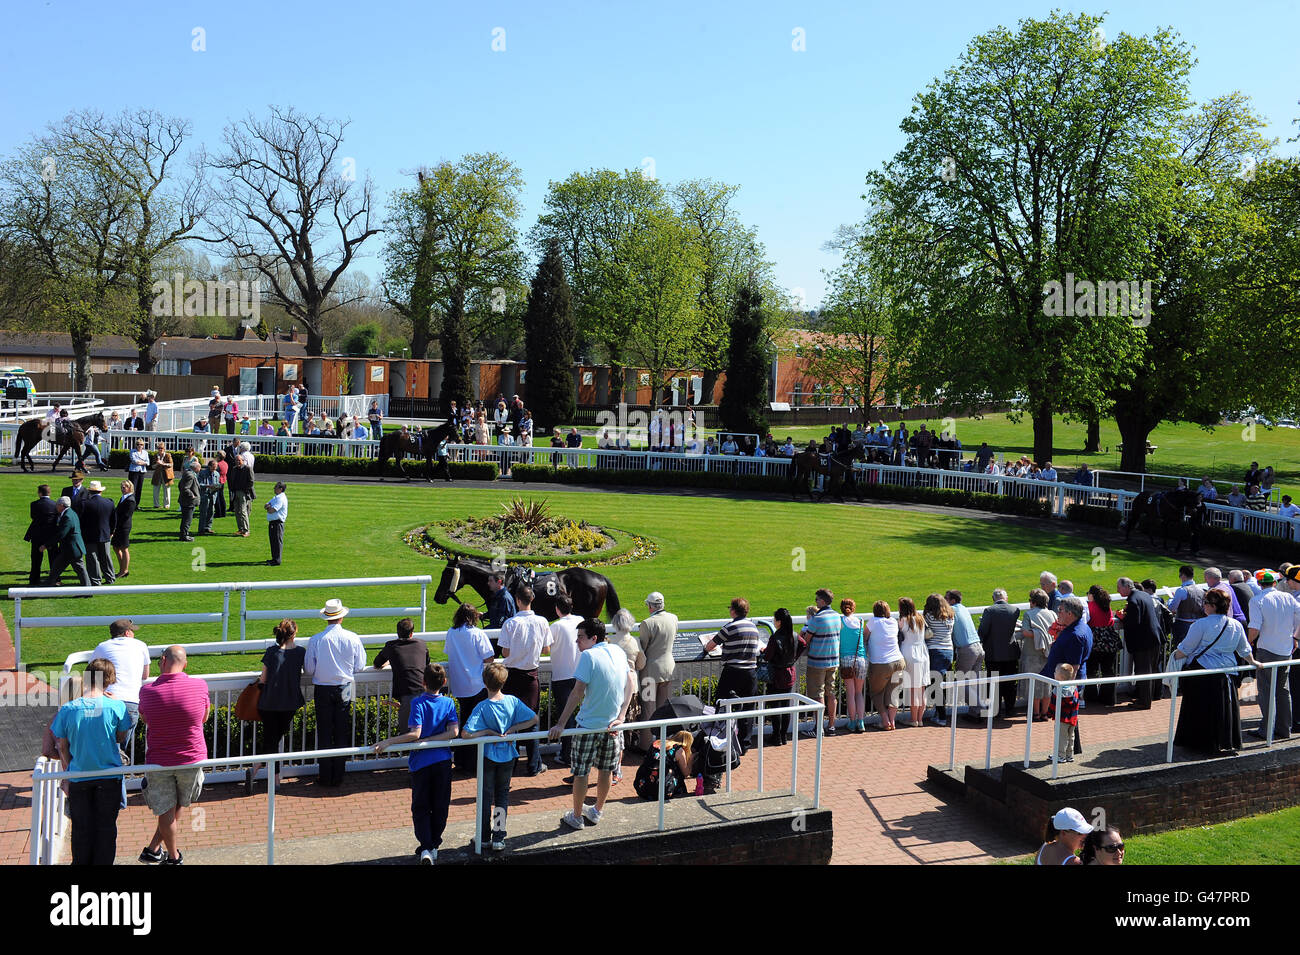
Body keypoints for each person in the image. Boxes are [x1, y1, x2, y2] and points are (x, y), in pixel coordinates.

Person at [549, 618, 635, 830]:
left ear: (593, 638)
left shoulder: (588, 656)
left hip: (588, 726)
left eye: (580, 638)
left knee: (580, 772)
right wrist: (622, 716)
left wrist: (560, 724)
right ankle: (596, 811)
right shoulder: (617, 651)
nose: (577, 642)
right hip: (613, 727)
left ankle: (577, 816)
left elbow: (577, 692)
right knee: (606, 771)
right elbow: (630, 683)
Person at [374, 664, 460, 865]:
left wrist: (389, 741)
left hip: (421, 763)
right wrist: (436, 740)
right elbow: (454, 731)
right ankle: (432, 845)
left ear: (423, 682)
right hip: (442, 762)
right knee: (440, 805)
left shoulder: (417, 702)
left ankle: (427, 847)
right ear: (444, 683)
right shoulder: (448, 703)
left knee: (421, 807)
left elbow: (416, 734)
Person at [51, 657, 130, 865]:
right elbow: (121, 737)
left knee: (81, 828)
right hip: (109, 777)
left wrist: (68, 773)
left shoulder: (68, 709)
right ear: (109, 680)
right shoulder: (117, 706)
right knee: (105, 829)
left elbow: (61, 745)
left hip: (79, 776)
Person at [137, 646, 211, 865]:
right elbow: (204, 718)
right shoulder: (199, 685)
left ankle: (156, 851)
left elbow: (146, 720)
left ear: (162, 661)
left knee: (167, 809)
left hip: (159, 761)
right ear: (185, 664)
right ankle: (172, 856)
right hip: (191, 757)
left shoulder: (147, 691)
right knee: (176, 806)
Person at [461, 662, 539, 852]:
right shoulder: (512, 701)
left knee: (485, 797)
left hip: (488, 756)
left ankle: (484, 837)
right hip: (509, 756)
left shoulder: (482, 707)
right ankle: (498, 837)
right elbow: (533, 719)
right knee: (502, 795)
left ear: (485, 682)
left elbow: (465, 734)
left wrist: (487, 732)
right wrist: (512, 730)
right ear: (503, 682)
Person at [1173, 588, 1257, 755]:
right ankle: (1224, 741)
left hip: (1203, 673)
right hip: (1227, 674)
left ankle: (1200, 743)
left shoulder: (1201, 624)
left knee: (1200, 709)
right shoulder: (1235, 624)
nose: (1203, 606)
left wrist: (1175, 657)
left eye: (1205, 603)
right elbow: (1244, 650)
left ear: (1212, 606)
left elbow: (1186, 648)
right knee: (1225, 709)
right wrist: (1254, 663)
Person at [304, 599, 366, 786]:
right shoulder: (353, 637)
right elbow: (360, 666)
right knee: (341, 730)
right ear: (341, 618)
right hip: (346, 686)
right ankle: (338, 774)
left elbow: (309, 669)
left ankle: (325, 774)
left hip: (322, 687)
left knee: (324, 731)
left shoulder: (316, 640)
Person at [497, 586, 551, 776]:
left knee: (510, 720)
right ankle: (533, 765)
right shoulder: (542, 622)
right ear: (532, 599)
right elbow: (546, 650)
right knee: (532, 720)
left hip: (512, 677)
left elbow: (505, 652)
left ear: (518, 600)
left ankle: (509, 764)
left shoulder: (510, 624)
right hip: (531, 677)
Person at [248, 619, 306, 789]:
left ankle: (259, 770)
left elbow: (263, 679)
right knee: (273, 740)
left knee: (270, 740)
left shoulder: (271, 651)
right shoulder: (301, 652)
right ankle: (272, 778)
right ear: (294, 633)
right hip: (289, 702)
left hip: (268, 702)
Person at [1247, 569, 1299, 741]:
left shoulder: (1257, 600)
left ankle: (1266, 730)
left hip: (1267, 651)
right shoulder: (1289, 598)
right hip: (1286, 650)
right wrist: (1295, 638)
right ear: (1275, 583)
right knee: (1283, 691)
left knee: (1266, 691)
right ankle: (1284, 729)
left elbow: (1255, 626)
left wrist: (1249, 642)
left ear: (1260, 584)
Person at [443, 603, 494, 773]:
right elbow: (489, 658)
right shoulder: (477, 634)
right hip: (476, 684)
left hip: (459, 685)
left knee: (464, 720)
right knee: (475, 724)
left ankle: (461, 759)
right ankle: (472, 761)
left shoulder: (451, 633)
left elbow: (449, 652)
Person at [704, 598, 762, 745]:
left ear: (734, 611)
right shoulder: (753, 627)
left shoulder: (729, 627)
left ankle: (719, 738)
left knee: (721, 704)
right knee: (748, 708)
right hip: (750, 673)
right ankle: (745, 742)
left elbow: (709, 646)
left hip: (732, 672)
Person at [90, 618, 151, 751]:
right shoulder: (141, 645)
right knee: (119, 753)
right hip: (130, 702)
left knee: (102, 749)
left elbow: (90, 673)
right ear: (127, 633)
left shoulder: (102, 646)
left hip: (105, 700)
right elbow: (145, 675)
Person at [636, 591, 678, 751]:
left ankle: (646, 746)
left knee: (648, 709)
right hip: (668, 668)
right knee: (663, 709)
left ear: (650, 606)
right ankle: (663, 743)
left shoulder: (647, 623)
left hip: (650, 672)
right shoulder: (673, 618)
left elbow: (643, 647)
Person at [374, 617, 430, 731]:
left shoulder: (391, 646)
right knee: (425, 734)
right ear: (411, 634)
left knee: (407, 735)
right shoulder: (421, 644)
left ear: (397, 633)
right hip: (426, 693)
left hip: (408, 695)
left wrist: (390, 660)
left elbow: (377, 664)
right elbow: (426, 663)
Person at [800, 589, 842, 735]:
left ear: (823, 601)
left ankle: (818, 729)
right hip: (833, 661)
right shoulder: (837, 616)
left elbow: (806, 640)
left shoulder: (817, 618)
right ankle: (831, 726)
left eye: (817, 599)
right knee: (831, 693)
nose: (816, 602)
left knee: (818, 694)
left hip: (817, 662)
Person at [1116, 577, 1163, 709]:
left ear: (1127, 587)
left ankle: (1144, 702)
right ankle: (1148, 697)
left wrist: (1123, 618)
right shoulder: (1144, 595)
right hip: (1154, 638)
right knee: (1151, 670)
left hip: (1144, 642)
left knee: (1143, 671)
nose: (1117, 590)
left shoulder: (1133, 600)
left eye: (1119, 587)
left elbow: (1133, 623)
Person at [547, 594, 582, 767]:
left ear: (557, 609)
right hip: (580, 675)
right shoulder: (580, 620)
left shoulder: (556, 626)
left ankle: (567, 755)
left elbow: (545, 648)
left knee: (566, 716)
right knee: (578, 715)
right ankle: (573, 752)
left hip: (562, 676)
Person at [762, 608, 804, 745]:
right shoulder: (794, 635)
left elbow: (768, 657)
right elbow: (803, 644)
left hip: (776, 674)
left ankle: (776, 737)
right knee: (786, 706)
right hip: (789, 673)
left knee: (776, 706)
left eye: (775, 619)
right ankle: (783, 736)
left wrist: (765, 650)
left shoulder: (776, 637)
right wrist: (793, 659)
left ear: (779, 621)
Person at [978, 588, 1022, 718]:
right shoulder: (1015, 610)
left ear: (993, 599)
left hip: (993, 654)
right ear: (1006, 598)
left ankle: (995, 710)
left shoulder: (989, 611)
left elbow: (983, 631)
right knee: (1010, 683)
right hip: (1010, 653)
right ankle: (1010, 709)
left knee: (994, 682)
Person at [865, 600, 906, 730]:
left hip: (881, 663)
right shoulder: (893, 621)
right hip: (899, 661)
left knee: (877, 693)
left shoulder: (873, 622)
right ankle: (892, 721)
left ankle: (885, 720)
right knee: (893, 693)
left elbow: (864, 637)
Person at [1019, 589, 1057, 721]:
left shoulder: (1028, 614)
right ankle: (1045, 713)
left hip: (1031, 653)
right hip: (1050, 653)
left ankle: (1035, 714)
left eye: (1030, 600)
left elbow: (1025, 633)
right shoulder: (1052, 614)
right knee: (1047, 684)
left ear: (1034, 602)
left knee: (1034, 684)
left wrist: (1037, 634)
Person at [947, 589, 985, 720]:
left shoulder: (951, 610)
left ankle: (980, 709)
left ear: (952, 600)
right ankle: (975, 712)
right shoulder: (963, 608)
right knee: (973, 682)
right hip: (978, 647)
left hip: (967, 650)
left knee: (961, 681)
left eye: (946, 599)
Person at [831, 598, 867, 732]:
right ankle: (861, 722)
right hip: (861, 659)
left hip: (846, 659)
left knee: (851, 693)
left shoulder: (840, 621)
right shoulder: (861, 621)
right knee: (859, 693)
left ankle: (852, 722)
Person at [1084, 585, 1120, 706]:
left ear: (1091, 595)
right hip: (1109, 640)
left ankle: (1091, 697)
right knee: (1108, 670)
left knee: (1091, 670)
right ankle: (1109, 698)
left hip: (1095, 640)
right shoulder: (1106, 606)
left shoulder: (1090, 606)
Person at [922, 593, 955, 726]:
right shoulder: (951, 616)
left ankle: (941, 716)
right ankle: (939, 712)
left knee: (936, 686)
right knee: (941, 685)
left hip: (936, 652)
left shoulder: (929, 617)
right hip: (949, 651)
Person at [42, 496, 90, 587]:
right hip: (69, 548)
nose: (56, 507)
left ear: (61, 505)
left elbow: (61, 534)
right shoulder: (71, 513)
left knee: (80, 569)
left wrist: (46, 545)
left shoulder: (67, 516)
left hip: (72, 549)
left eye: (57, 505)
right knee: (56, 566)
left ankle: (87, 590)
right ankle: (48, 584)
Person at [896, 597, 929, 727]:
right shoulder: (920, 618)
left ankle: (913, 719)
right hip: (923, 653)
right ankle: (919, 719)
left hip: (909, 653)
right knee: (921, 689)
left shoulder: (903, 621)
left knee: (913, 690)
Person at [26, 484, 59, 586]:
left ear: (40, 493)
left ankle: (34, 580)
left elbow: (33, 517)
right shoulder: (55, 504)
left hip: (37, 535)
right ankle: (56, 579)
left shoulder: (34, 504)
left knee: (36, 559)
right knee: (53, 558)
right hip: (51, 535)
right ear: (49, 493)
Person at [1167, 564, 1207, 644]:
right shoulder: (1202, 590)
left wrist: (1171, 599)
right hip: (1198, 625)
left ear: (1183, 575)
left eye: (1180, 575)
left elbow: (1172, 608)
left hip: (1183, 625)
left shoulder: (1181, 590)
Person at [1049, 663, 1079, 763]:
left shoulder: (1057, 690)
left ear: (1060, 677)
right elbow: (1076, 702)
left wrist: (1050, 713)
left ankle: (1060, 755)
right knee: (1071, 736)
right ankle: (1069, 755)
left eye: (1055, 672)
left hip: (1061, 718)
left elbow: (1053, 705)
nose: (1054, 673)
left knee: (1061, 737)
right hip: (1072, 717)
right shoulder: (1074, 688)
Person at [227, 451, 253, 538]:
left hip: (243, 492)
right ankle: (240, 529)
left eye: (239, 460)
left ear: (243, 460)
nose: (238, 462)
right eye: (236, 460)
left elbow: (251, 482)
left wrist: (246, 491)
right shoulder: (234, 469)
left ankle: (246, 530)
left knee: (243, 511)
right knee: (237, 511)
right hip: (235, 492)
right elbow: (231, 480)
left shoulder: (247, 469)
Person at [263, 481, 287, 565]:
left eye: (276, 487)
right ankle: (274, 559)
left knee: (277, 542)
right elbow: (266, 505)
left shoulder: (281, 498)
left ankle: (277, 561)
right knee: (273, 541)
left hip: (277, 523)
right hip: (273, 523)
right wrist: (268, 507)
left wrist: (269, 507)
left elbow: (272, 510)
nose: (274, 488)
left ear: (280, 489)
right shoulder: (276, 497)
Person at [176, 459, 198, 542]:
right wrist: (191, 495)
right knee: (187, 519)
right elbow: (185, 488)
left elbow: (180, 485)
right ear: (196, 468)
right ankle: (184, 535)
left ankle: (184, 534)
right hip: (188, 501)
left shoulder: (187, 474)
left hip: (185, 500)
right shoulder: (190, 475)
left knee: (186, 519)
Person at [150, 440, 173, 510]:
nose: (160, 450)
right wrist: (157, 464)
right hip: (157, 475)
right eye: (159, 448)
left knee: (167, 491)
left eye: (161, 448)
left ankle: (166, 505)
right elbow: (152, 466)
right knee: (155, 490)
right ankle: (156, 504)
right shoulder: (155, 456)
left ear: (164, 449)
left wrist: (163, 464)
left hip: (166, 475)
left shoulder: (168, 455)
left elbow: (171, 464)